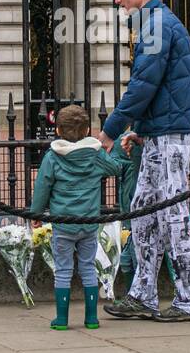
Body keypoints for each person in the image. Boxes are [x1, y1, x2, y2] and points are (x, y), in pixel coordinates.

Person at [97, 0, 190, 322]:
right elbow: (160, 87)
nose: (118, 1)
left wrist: (111, 130)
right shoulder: (155, 24)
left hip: (172, 136)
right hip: (160, 133)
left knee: (173, 213)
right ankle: (143, 294)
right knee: (143, 210)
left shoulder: (157, 26)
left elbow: (143, 86)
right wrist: (141, 130)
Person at [29, 104, 134, 330]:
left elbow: (42, 187)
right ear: (87, 130)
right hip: (88, 222)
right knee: (88, 267)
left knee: (63, 269)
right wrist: (116, 148)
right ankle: (91, 318)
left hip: (63, 223)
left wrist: (36, 213)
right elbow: (115, 169)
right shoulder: (95, 155)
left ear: (57, 130)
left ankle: (62, 319)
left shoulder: (52, 157)